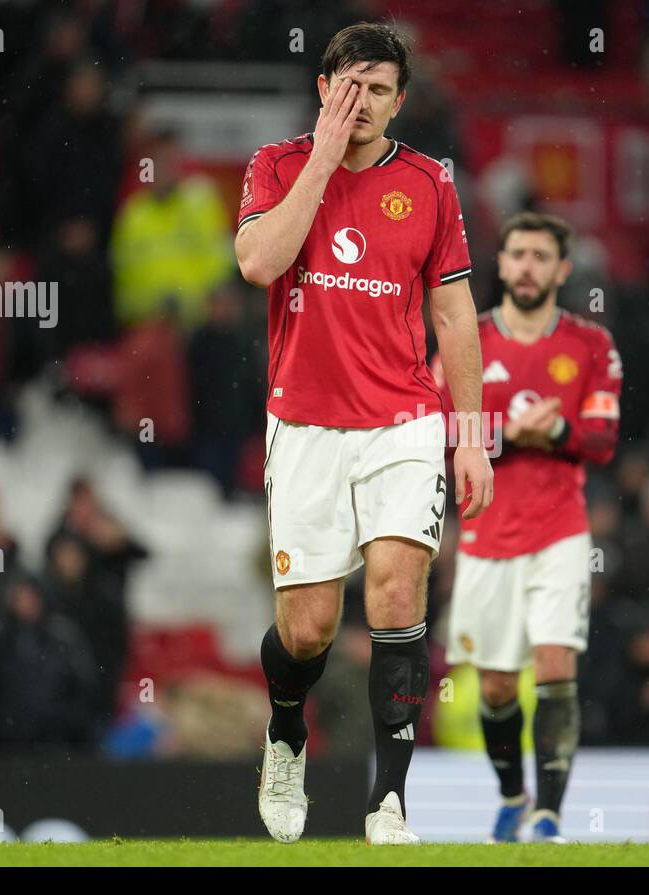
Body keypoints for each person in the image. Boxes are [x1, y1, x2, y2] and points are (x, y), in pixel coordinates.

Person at [234, 22, 493, 845]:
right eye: (351, 87)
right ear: (324, 88)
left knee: (393, 592)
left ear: (401, 100)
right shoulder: (276, 165)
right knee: (308, 629)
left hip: (402, 421)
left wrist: (472, 433)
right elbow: (257, 264)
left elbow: (453, 314)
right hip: (305, 419)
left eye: (380, 90)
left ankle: (390, 800)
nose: (365, 104)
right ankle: (285, 733)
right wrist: (323, 153)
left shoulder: (428, 184)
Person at [436, 212, 622, 842]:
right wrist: (509, 438)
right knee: (493, 686)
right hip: (485, 534)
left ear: (562, 270)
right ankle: (514, 795)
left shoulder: (592, 346)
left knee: (553, 663)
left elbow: (601, 440)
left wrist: (560, 431)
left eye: (541, 257)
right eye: (518, 254)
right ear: (501, 262)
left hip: (560, 531)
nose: (527, 267)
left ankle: (549, 815)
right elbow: (434, 432)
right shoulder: (466, 341)